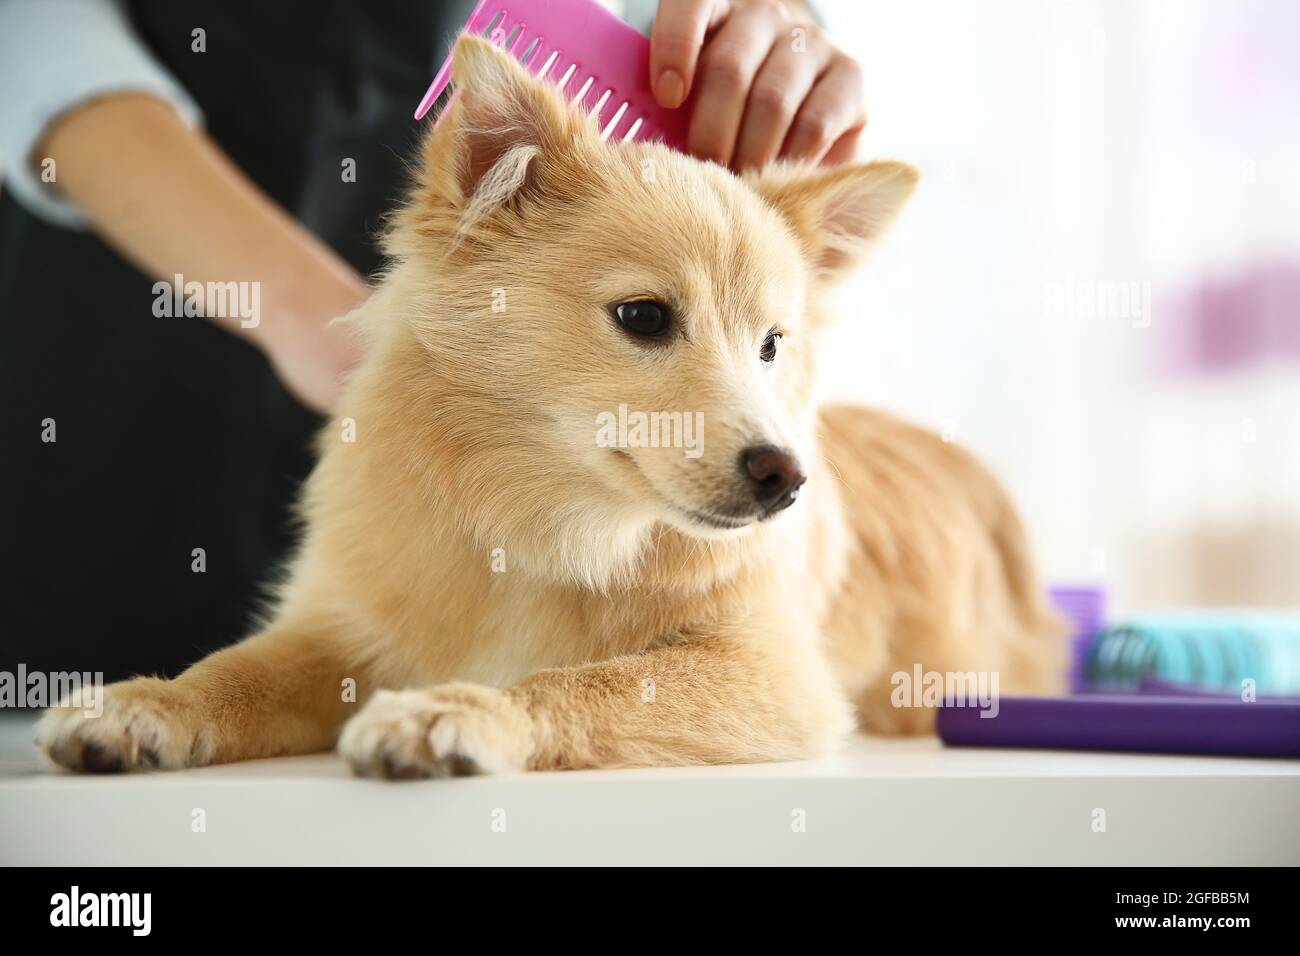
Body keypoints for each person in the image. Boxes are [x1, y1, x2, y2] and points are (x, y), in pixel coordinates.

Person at [0, 0, 868, 683]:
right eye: (644, 318)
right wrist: (323, 319)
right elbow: (30, 27)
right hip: (108, 368)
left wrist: (768, 36)